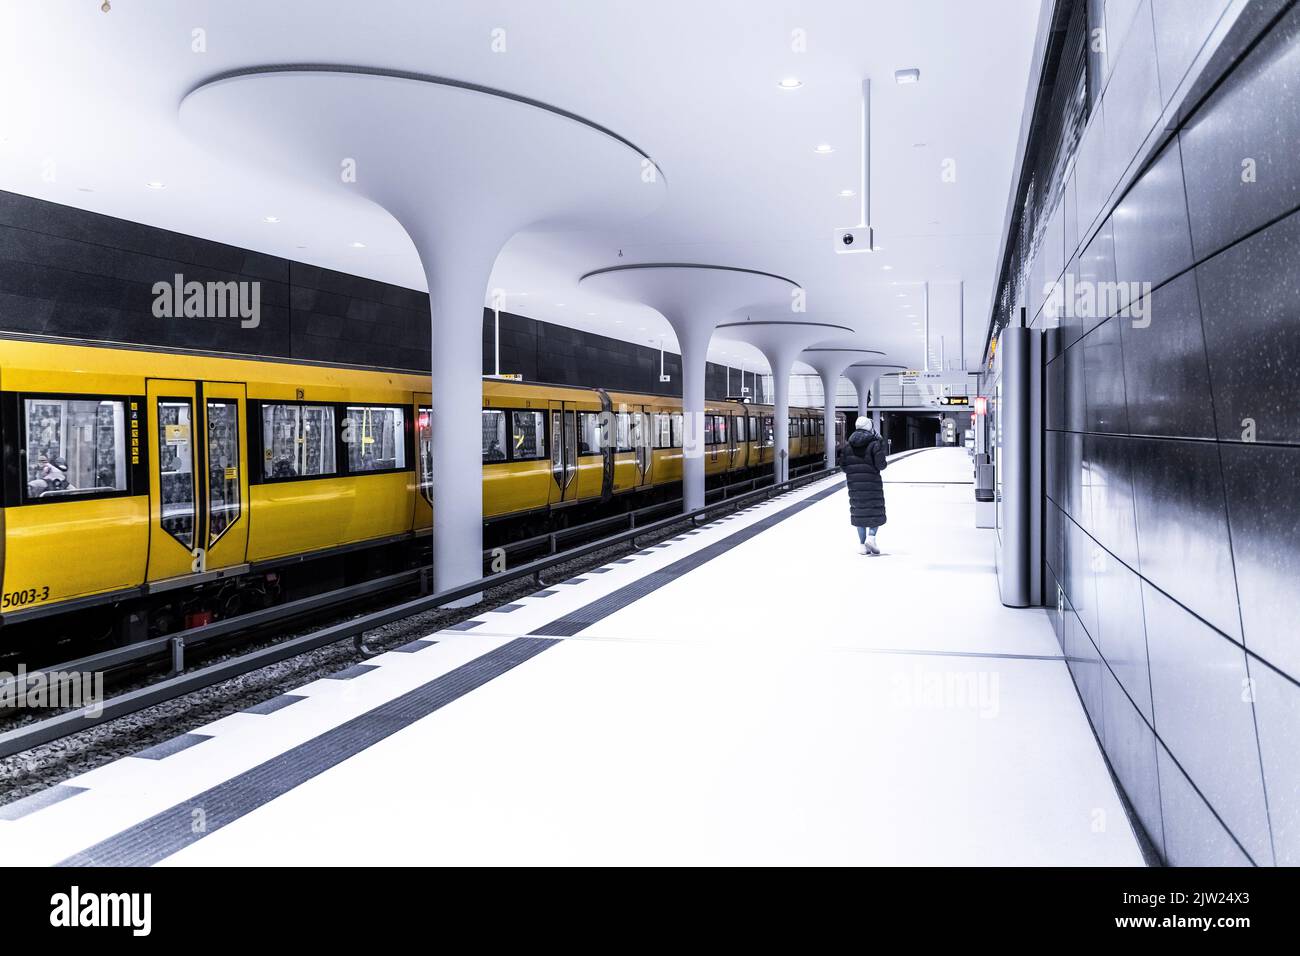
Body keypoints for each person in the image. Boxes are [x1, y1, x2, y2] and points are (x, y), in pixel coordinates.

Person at [841, 415, 888, 555]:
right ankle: (871, 538)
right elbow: (881, 465)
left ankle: (862, 545)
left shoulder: (848, 445)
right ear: (869, 427)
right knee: (874, 510)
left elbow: (843, 466)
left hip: (854, 485)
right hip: (872, 483)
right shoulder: (874, 443)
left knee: (859, 512)